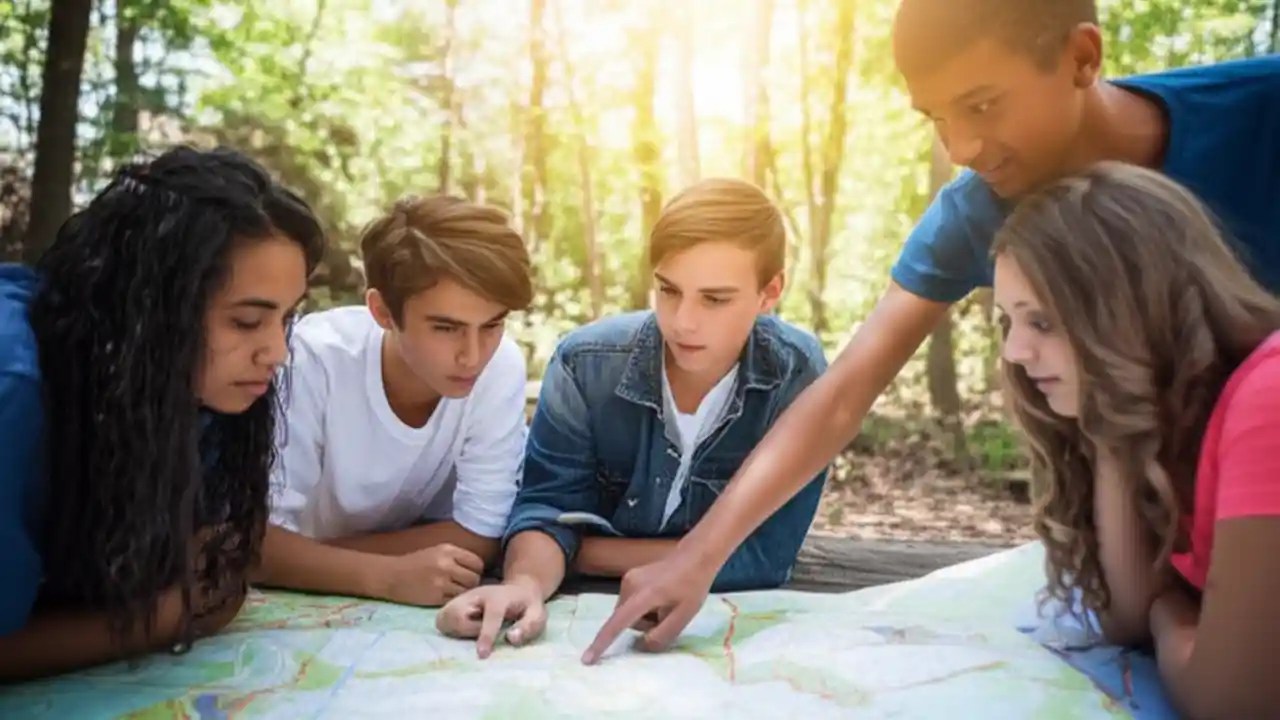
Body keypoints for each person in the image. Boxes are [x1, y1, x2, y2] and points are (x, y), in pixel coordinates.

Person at [583, 0, 1280, 663]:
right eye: (935, 119)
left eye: (981, 105)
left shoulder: (1261, 113)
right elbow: (842, 395)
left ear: (1081, 56)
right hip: (1181, 549)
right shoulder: (977, 210)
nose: (962, 147)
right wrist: (695, 557)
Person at [435, 178, 829, 657]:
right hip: (580, 615)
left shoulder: (797, 372)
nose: (683, 320)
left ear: (769, 293)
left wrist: (577, 551)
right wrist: (524, 583)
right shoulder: (586, 363)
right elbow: (544, 508)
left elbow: (766, 556)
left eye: (715, 299)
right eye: (668, 290)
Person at [0, 146, 325, 680]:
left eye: (286, 319)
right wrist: (163, 619)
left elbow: (212, 560)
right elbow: (196, 594)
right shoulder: (16, 390)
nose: (278, 352)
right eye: (246, 322)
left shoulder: (188, 388)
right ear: (149, 306)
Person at [993, 163, 1280, 718]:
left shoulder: (1268, 397)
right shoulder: (1185, 420)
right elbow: (1125, 615)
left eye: (1043, 322)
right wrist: (1112, 424)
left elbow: (1231, 702)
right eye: (1009, 322)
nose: (1015, 353)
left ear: (1131, 312)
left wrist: (1167, 611)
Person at [252, 196, 532, 607]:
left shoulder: (500, 364)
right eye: (445, 327)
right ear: (382, 311)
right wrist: (386, 576)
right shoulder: (310, 359)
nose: (473, 355)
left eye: (491, 325)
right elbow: (255, 547)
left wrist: (310, 557)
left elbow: (480, 536)